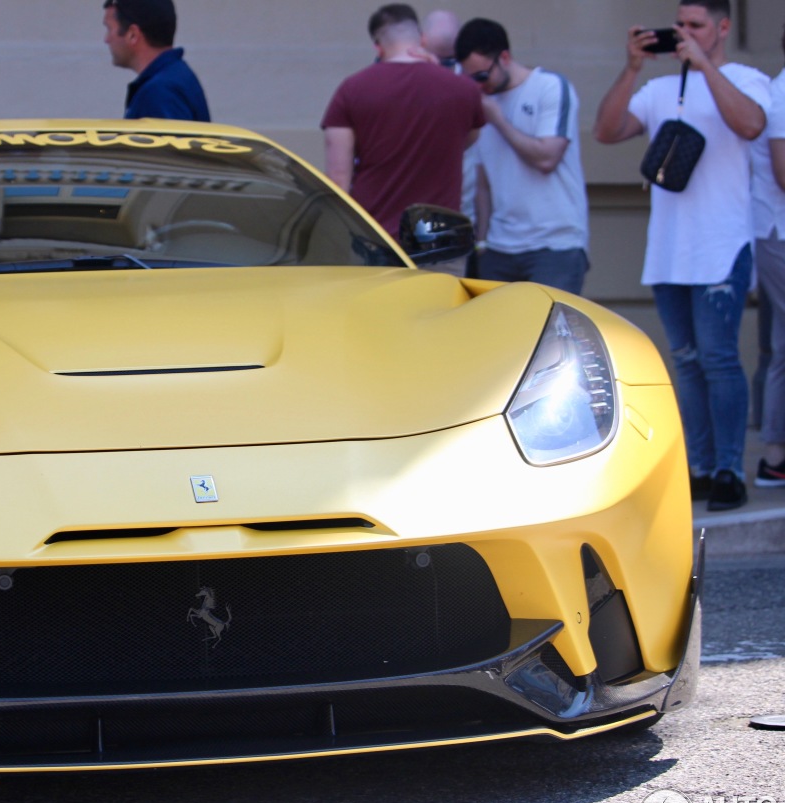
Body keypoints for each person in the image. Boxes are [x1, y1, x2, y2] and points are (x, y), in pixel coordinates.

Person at [593, 0, 769, 511]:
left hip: (722, 245)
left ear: (722, 27)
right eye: (680, 26)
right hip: (669, 249)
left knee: (719, 359)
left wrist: (704, 65)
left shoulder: (744, 79)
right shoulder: (659, 89)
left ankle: (729, 469)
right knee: (686, 363)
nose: (685, 33)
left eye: (696, 25)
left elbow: (751, 125)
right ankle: (701, 468)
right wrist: (632, 67)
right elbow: (606, 131)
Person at [321, 4, 484, 237]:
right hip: (440, 239)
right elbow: (466, 139)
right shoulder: (464, 90)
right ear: (423, 39)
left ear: (378, 47)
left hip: (377, 238)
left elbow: (338, 179)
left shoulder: (352, 89)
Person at [456, 18, 590, 295]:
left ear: (504, 58)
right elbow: (483, 182)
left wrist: (498, 120)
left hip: (555, 245)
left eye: (482, 76)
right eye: (470, 80)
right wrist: (482, 242)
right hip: (498, 248)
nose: (479, 86)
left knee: (545, 323)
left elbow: (547, 158)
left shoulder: (549, 87)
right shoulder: (482, 102)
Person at [751, 24, 785, 488]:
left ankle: (776, 455)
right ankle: (776, 454)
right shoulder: (781, 95)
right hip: (779, 234)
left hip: (773, 234)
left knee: (780, 347)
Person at [102, 0, 209, 122]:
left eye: (109, 29)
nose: (106, 39)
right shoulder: (175, 77)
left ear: (133, 35)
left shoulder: (160, 92)